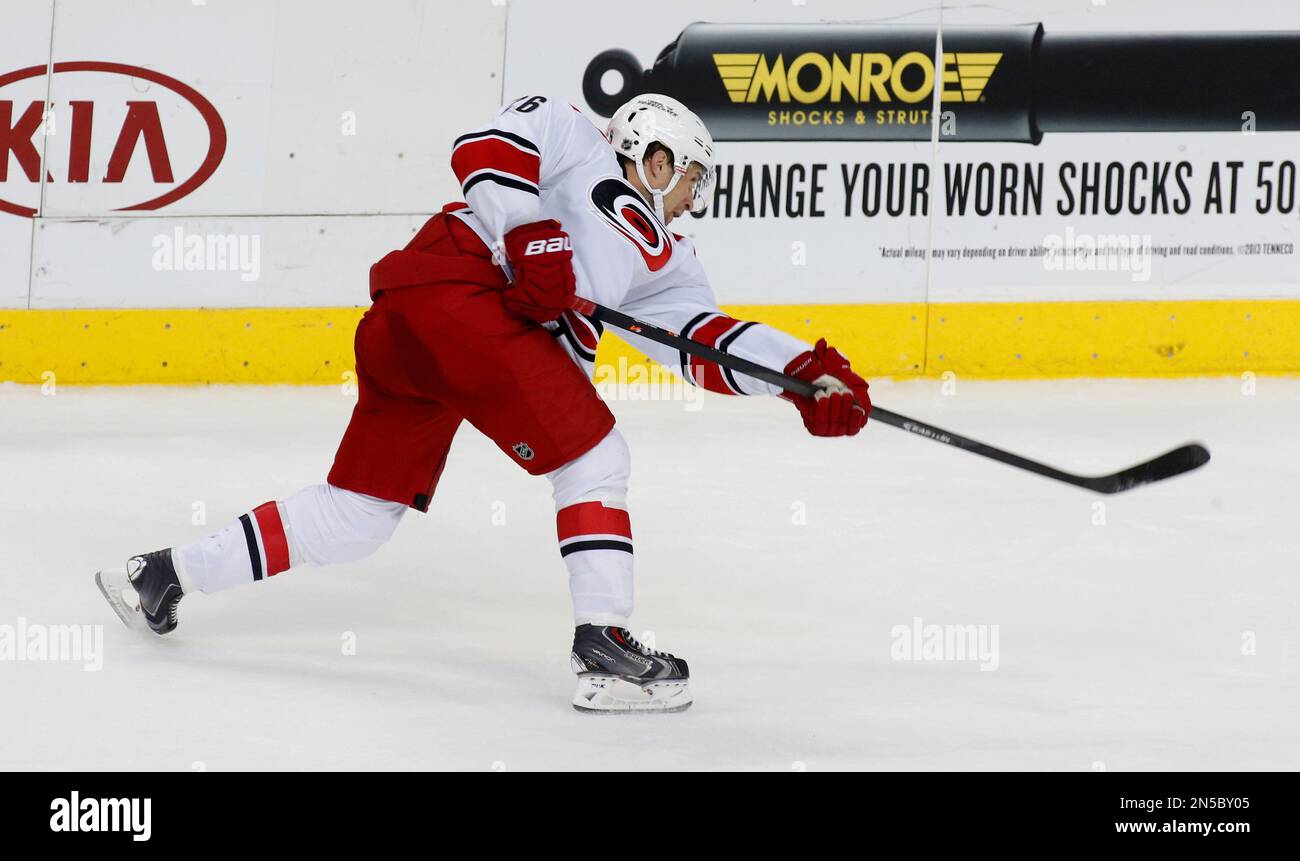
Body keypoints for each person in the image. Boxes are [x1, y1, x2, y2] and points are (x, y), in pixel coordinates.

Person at [96, 93, 871, 713]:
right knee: (597, 457)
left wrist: (803, 375)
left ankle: (162, 572)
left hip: (419, 328)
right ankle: (603, 642)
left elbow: (701, 342)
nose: (696, 198)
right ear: (657, 156)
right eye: (694, 176)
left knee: (356, 515)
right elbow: (486, 149)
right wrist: (534, 234)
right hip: (455, 290)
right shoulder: (577, 134)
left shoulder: (668, 261)